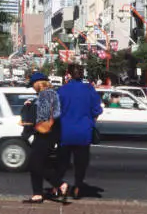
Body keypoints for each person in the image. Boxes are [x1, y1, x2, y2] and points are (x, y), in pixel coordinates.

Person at [57, 64, 103, 199]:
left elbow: (56, 111)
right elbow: (96, 110)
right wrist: (90, 122)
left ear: (69, 74)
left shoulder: (62, 90)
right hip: (84, 132)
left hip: (65, 132)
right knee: (81, 163)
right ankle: (77, 186)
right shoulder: (89, 90)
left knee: (62, 162)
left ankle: (58, 185)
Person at [23, 71, 63, 204]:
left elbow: (47, 116)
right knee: (38, 163)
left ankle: (59, 184)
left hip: (45, 133)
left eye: (33, 85)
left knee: (34, 163)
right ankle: (37, 194)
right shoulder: (48, 93)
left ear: (39, 83)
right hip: (48, 132)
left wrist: (30, 111)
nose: (32, 88)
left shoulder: (46, 94)